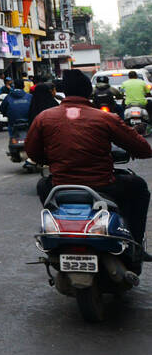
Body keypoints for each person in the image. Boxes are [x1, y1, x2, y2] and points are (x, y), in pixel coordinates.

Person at [26, 69, 152, 250]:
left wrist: (53, 159)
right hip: (103, 184)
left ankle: (56, 238)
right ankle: (135, 245)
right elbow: (143, 149)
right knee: (139, 187)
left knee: (42, 185)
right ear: (88, 91)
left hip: (60, 185)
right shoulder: (106, 118)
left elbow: (33, 153)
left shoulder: (44, 118)